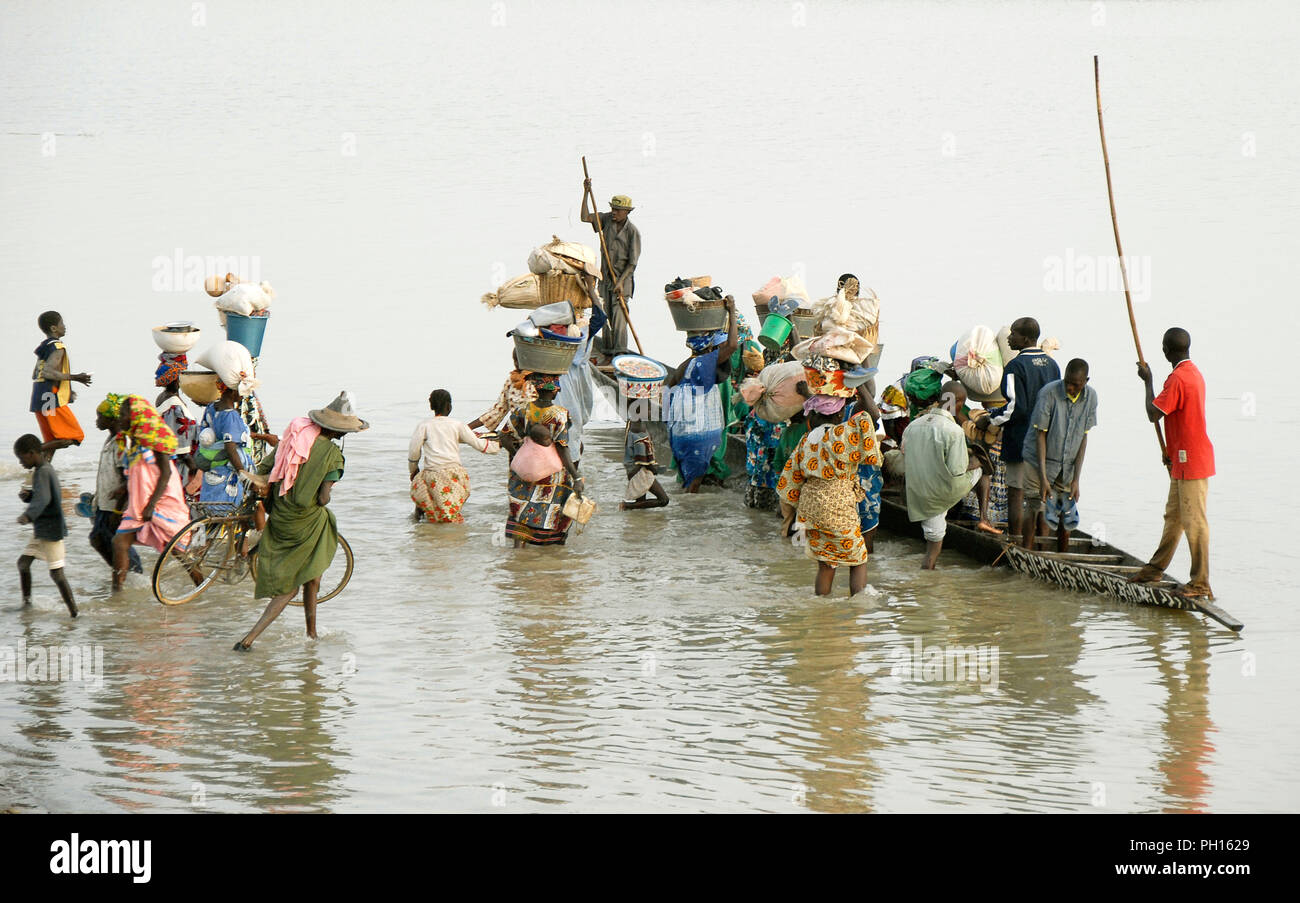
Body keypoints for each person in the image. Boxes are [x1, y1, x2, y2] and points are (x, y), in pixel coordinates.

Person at [234, 392, 368, 650]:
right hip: (303, 521)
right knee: (290, 589)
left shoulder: (296, 438)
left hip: (281, 513)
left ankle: (312, 633)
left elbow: (267, 469)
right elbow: (322, 499)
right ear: (341, 432)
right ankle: (247, 640)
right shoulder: (333, 455)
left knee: (313, 577)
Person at [1130, 328, 1215, 600]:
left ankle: (1200, 583)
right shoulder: (1192, 373)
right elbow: (1183, 418)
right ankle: (1155, 568)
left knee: (1195, 523)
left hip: (1191, 461)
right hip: (1182, 458)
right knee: (1174, 518)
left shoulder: (1179, 378)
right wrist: (1170, 450)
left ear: (1167, 350)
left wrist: (1147, 381)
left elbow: (1153, 413)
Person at [776, 384, 881, 596]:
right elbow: (871, 414)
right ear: (841, 413)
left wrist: (790, 514)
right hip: (838, 505)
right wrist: (859, 385)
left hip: (811, 508)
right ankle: (859, 612)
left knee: (826, 562)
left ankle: (821, 609)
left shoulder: (807, 439)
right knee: (858, 559)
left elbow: (790, 479)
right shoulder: (841, 435)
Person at [988, 317, 1060, 544]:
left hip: (1021, 439)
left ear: (1026, 338)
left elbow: (1014, 408)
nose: (1009, 338)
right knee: (1043, 492)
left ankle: (1017, 540)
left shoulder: (1015, 367)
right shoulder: (1052, 365)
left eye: (1013, 334)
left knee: (1017, 491)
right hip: (1047, 440)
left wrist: (991, 419)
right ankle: (1042, 541)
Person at [901, 381, 987, 569]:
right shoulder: (954, 430)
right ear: (957, 402)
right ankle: (983, 517)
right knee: (983, 469)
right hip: (938, 494)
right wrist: (974, 463)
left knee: (932, 539)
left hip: (916, 492)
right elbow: (957, 470)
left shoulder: (913, 425)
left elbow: (905, 453)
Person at [110, 395, 190, 591]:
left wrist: (152, 504)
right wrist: (122, 493)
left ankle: (200, 582)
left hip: (162, 502)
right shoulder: (135, 442)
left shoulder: (155, 439)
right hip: (138, 506)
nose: (120, 418)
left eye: (123, 414)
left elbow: (166, 474)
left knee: (179, 551)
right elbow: (139, 475)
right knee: (119, 543)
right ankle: (117, 593)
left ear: (136, 415)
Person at [664, 296, 740, 492]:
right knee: (694, 485)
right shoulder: (706, 362)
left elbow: (668, 388)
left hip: (680, 432)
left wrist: (670, 420)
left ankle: (685, 505)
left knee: (688, 478)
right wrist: (732, 311)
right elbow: (732, 345)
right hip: (698, 433)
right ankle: (692, 515)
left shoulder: (687, 364)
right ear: (708, 345)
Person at [498, 375, 584, 546]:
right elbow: (562, 447)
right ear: (555, 392)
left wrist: (518, 456)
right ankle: (550, 551)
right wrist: (576, 477)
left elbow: (504, 437)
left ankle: (518, 552)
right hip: (550, 474)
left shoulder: (522, 410)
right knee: (557, 509)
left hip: (524, 472)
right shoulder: (560, 415)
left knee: (521, 508)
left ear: (536, 390)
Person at [1022, 358, 1098, 552]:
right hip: (1037, 458)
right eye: (1068, 382)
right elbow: (1040, 435)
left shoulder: (1091, 398)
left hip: (1067, 463)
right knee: (1035, 506)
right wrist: (1043, 478)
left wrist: (1076, 480)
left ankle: (1061, 557)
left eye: (1076, 384)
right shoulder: (1049, 393)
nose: (1070, 388)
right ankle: (1028, 552)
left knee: (1065, 507)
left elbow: (1083, 440)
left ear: (1086, 381)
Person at [408, 389, 500, 523]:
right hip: (455, 475)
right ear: (449, 406)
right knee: (450, 511)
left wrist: (413, 470)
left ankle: (421, 524)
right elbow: (478, 444)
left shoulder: (424, 426)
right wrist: (499, 445)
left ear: (431, 406)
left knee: (425, 497)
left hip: (432, 475)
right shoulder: (457, 425)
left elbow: (414, 452)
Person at [14, 434, 78, 616]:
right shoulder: (44, 469)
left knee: (57, 574)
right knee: (23, 564)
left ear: (32, 453)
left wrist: (28, 515)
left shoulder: (43, 471)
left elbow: (44, 499)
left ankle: (74, 613)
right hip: (42, 529)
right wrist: (29, 498)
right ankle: (27, 604)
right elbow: (43, 497)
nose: (21, 463)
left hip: (51, 530)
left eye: (21, 458)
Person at [581, 185, 641, 358]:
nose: (614, 212)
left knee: (620, 318)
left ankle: (620, 354)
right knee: (604, 315)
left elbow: (632, 263)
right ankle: (607, 353)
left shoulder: (632, 232)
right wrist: (586, 192)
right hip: (605, 279)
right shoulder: (607, 220)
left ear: (627, 212)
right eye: (613, 209)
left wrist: (620, 282)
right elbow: (585, 217)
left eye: (618, 210)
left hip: (623, 281)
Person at [88, 395, 142, 574]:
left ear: (111, 420)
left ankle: (133, 571)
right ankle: (122, 570)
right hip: (104, 504)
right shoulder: (111, 440)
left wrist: (119, 509)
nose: (97, 421)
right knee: (98, 538)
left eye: (100, 417)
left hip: (114, 507)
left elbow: (127, 478)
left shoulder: (121, 444)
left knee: (116, 541)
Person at [30, 311, 92, 457]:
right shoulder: (57, 347)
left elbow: (37, 373)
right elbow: (48, 373)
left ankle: (40, 473)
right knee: (72, 436)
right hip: (49, 396)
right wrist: (76, 377)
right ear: (53, 328)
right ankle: (30, 451)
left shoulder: (45, 346)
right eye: (61, 324)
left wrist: (66, 390)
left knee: (51, 441)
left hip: (40, 394)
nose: (64, 326)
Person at [556, 301, 607, 463]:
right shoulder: (580, 334)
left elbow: (600, 318)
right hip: (569, 385)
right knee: (572, 429)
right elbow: (600, 317)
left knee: (569, 430)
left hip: (566, 384)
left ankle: (570, 472)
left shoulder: (554, 337)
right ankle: (572, 473)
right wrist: (592, 293)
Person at [197, 382, 255, 507]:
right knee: (226, 517)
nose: (243, 395)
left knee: (211, 516)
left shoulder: (212, 407)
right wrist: (244, 475)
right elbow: (231, 450)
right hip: (226, 477)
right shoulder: (230, 415)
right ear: (233, 391)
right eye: (242, 391)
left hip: (212, 473)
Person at [154, 352, 199, 491]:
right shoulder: (174, 406)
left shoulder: (163, 398)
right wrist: (195, 471)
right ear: (176, 380)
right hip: (178, 469)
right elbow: (180, 449)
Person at [468, 352, 536, 434]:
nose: (517, 364)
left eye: (520, 360)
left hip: (538, 432)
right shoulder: (511, 381)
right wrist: (467, 428)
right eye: (515, 360)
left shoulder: (540, 381)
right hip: (517, 431)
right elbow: (499, 410)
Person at [621, 419, 669, 510]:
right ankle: (626, 506)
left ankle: (635, 517)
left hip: (634, 470)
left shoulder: (633, 423)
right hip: (641, 472)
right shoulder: (639, 428)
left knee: (641, 506)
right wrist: (654, 469)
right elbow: (642, 457)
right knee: (664, 500)